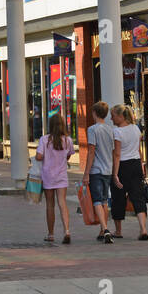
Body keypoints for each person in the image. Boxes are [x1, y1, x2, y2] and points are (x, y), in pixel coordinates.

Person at [110, 105, 148, 240]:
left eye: (113, 115)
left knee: (118, 197)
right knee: (138, 197)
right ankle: (143, 229)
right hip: (136, 164)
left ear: (120, 117)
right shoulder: (136, 129)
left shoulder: (117, 132)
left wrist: (115, 174)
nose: (111, 118)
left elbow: (117, 155)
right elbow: (138, 150)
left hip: (122, 167)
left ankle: (118, 231)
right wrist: (142, 166)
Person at [36, 112, 74, 244]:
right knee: (62, 203)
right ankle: (67, 230)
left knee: (50, 205)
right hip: (62, 175)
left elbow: (39, 157)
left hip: (48, 176)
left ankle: (51, 234)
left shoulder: (45, 139)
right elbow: (69, 155)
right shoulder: (68, 140)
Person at [81, 101, 114, 242]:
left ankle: (105, 229)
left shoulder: (93, 129)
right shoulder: (110, 130)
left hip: (96, 170)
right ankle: (103, 229)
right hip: (108, 169)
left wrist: (86, 172)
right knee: (105, 200)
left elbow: (91, 151)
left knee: (97, 200)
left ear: (94, 113)